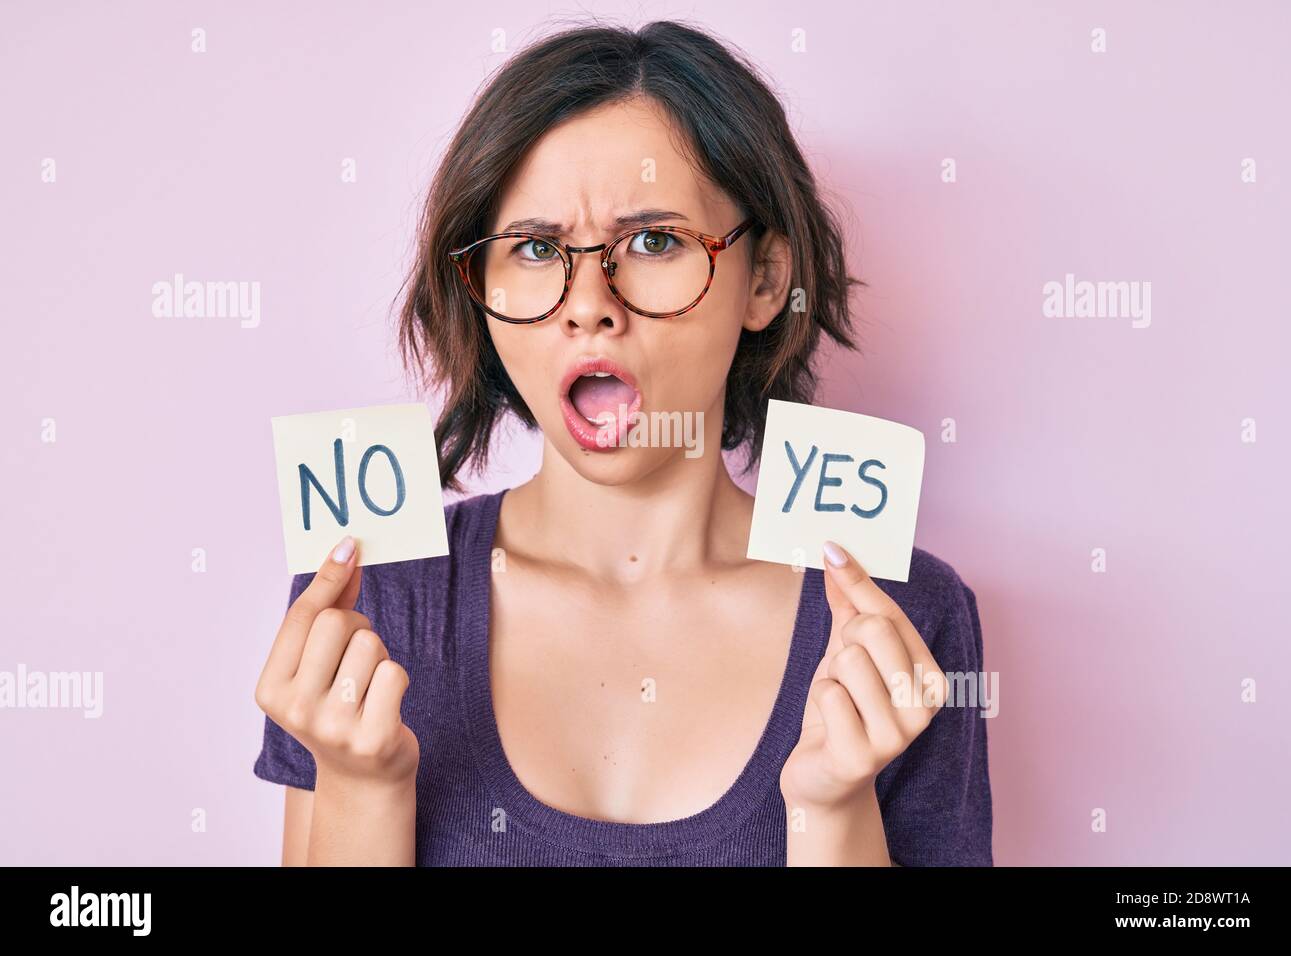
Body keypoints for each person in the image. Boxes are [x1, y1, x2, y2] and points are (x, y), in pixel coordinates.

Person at [253, 19, 992, 866]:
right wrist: (362, 786)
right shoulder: (370, 599)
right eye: (535, 249)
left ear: (765, 279)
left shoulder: (905, 619)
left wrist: (832, 811)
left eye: (653, 242)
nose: (588, 303)